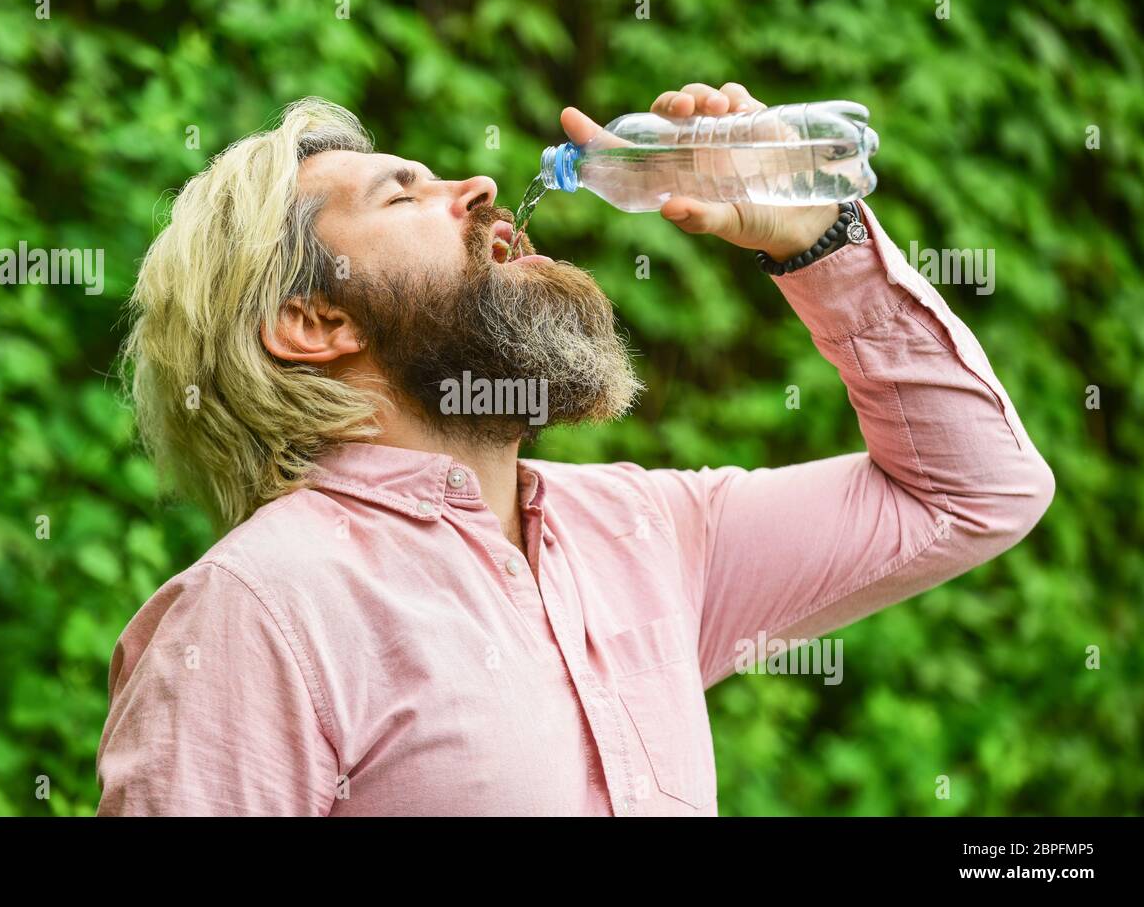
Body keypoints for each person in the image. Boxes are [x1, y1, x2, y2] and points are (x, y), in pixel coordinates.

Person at [96, 82, 1054, 816]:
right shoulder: (253, 611)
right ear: (314, 320)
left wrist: (814, 235)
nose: (474, 185)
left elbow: (971, 493)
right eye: (405, 196)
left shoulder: (648, 532)